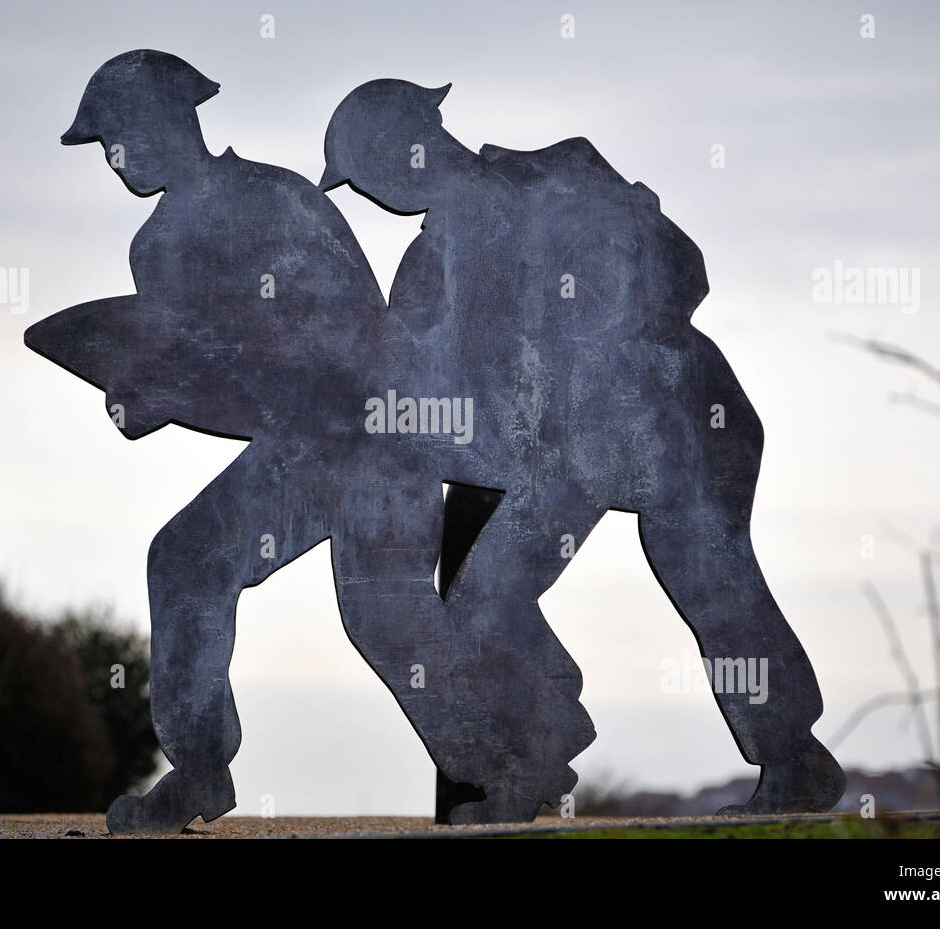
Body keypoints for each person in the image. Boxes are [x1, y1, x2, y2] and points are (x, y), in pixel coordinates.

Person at [27, 51, 593, 831]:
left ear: (173, 118)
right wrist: (143, 395)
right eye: (104, 145)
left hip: (372, 435)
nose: (115, 156)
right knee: (188, 561)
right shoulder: (151, 248)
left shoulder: (276, 197)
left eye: (120, 133)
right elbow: (192, 372)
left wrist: (233, 352)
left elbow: (357, 327)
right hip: (294, 449)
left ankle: (511, 765)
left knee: (385, 615)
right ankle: (197, 773)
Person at [320, 79, 845, 813]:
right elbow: (411, 383)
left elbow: (681, 273)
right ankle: (539, 757)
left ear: (402, 148)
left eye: (370, 176)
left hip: (677, 416)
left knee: (711, 581)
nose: (375, 193)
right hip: (567, 456)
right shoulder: (424, 269)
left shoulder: (559, 172)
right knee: (485, 599)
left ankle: (793, 758)